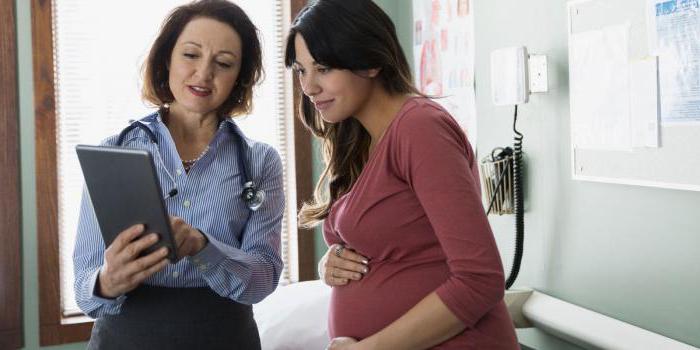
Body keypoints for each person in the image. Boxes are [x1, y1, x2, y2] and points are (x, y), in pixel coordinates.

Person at [285, 0, 519, 349]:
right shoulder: (360, 138)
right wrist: (331, 264)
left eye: (323, 68)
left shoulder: (420, 128)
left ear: (370, 61)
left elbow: (480, 279)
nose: (309, 87)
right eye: (301, 70)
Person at [73, 1, 284, 349]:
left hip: (223, 336)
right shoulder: (115, 152)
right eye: (190, 55)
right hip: (126, 336)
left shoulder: (260, 162)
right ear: (166, 59)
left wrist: (204, 247)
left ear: (240, 77)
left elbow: (263, 279)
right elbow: (84, 286)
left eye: (224, 63)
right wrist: (108, 281)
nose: (203, 74)